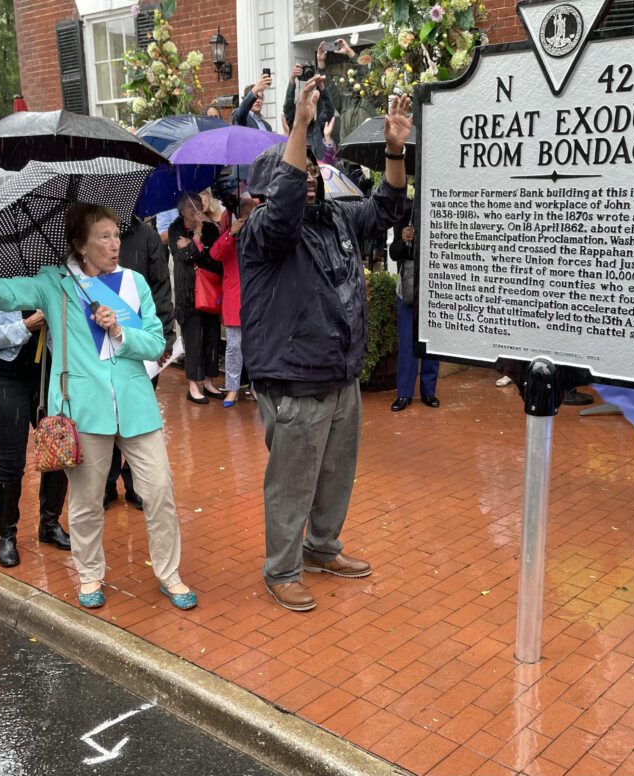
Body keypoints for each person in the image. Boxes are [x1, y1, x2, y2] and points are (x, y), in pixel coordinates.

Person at [0, 203, 196, 611]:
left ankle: (170, 573)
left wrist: (118, 330)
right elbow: (3, 292)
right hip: (83, 408)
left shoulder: (133, 282)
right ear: (80, 243)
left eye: (117, 235)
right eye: (105, 236)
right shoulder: (54, 284)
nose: (116, 244)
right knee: (85, 500)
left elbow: (154, 342)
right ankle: (90, 573)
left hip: (136, 406)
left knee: (160, 492)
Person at [239, 79, 409, 611]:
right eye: (298, 172)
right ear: (268, 188)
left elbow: (386, 210)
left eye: (313, 171)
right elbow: (286, 206)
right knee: (292, 482)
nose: (309, 179)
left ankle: (321, 548)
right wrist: (299, 125)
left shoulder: (336, 217)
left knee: (336, 472)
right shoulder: (263, 232)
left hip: (340, 373)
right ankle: (282, 569)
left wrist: (395, 150)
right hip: (294, 378)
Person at [0, 302, 71, 567]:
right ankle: (6, 535)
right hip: (2, 378)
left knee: (58, 455)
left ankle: (50, 524)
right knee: (11, 462)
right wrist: (26, 326)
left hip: (47, 375)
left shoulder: (40, 276)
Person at [105, 216, 177, 511]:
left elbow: (161, 288)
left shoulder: (145, 235)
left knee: (136, 418)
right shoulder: (90, 235)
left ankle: (135, 484)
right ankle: (106, 484)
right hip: (103, 349)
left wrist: (166, 337)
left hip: (140, 344)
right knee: (107, 418)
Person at [170, 192, 224, 403]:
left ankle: (210, 381)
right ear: (182, 210)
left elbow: (216, 260)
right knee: (193, 339)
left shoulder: (211, 228)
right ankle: (194, 385)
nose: (196, 211)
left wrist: (194, 244)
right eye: (191, 208)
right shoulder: (176, 228)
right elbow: (184, 256)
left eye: (199, 206)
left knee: (212, 336)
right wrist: (198, 238)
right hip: (188, 293)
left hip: (209, 290)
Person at [389, 201, 439, 411]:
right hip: (408, 290)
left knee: (431, 344)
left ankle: (429, 392)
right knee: (407, 344)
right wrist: (403, 239)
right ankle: (404, 393)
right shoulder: (406, 213)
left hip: (433, 289)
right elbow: (394, 253)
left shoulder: (439, 209)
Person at [211, 195, 256, 407]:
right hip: (234, 298)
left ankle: (257, 387)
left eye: (252, 214)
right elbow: (216, 254)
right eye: (245, 215)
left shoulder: (260, 235)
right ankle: (232, 388)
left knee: (257, 345)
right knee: (234, 346)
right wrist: (231, 232)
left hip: (257, 298)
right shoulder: (230, 236)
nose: (249, 218)